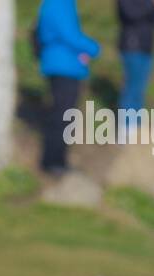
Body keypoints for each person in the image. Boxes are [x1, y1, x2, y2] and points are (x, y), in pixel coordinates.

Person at [35, 0, 101, 174]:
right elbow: (69, 34)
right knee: (63, 116)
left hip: (64, 64)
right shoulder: (59, 3)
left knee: (65, 115)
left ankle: (58, 160)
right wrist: (92, 48)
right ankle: (53, 162)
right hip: (63, 66)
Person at [118, 0, 154, 135]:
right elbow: (130, 13)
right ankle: (126, 130)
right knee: (132, 88)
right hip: (132, 45)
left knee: (140, 90)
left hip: (147, 46)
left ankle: (136, 127)